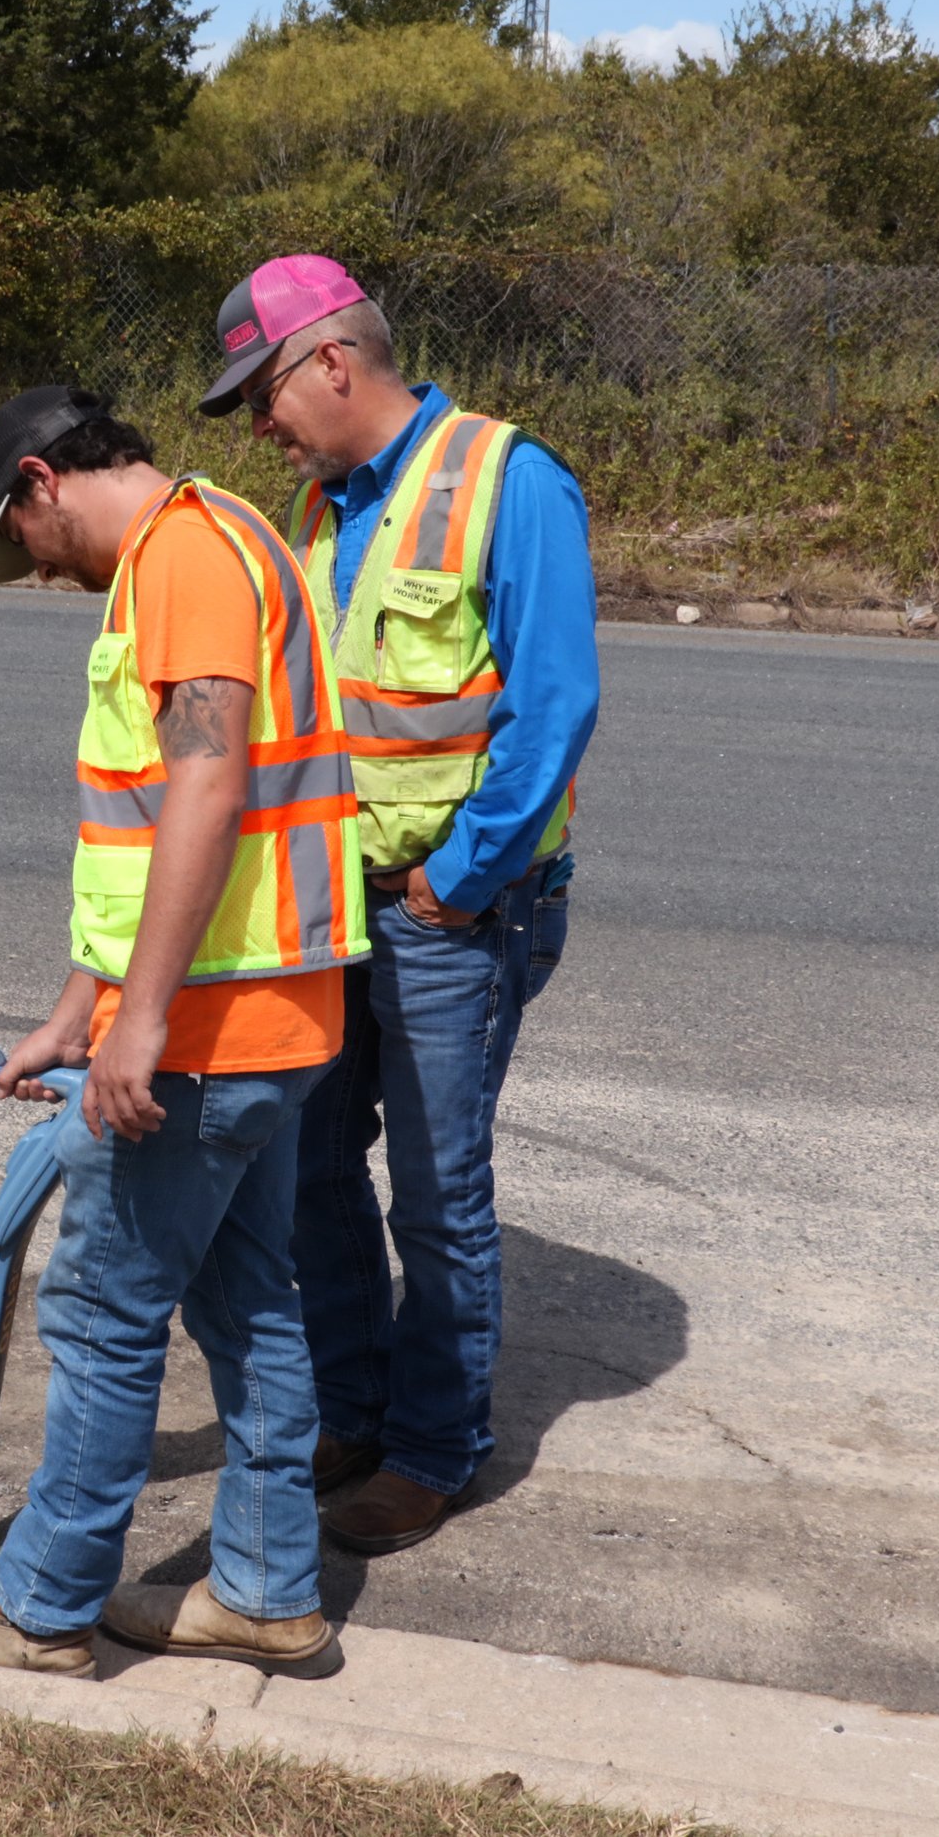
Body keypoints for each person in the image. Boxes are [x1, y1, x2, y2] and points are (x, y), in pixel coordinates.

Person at [0, 386, 370, 1679]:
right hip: (273, 1015)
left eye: (19, 539)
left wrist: (136, 1028)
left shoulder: (182, 558)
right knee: (251, 1304)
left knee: (101, 1314)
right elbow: (143, 840)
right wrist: (78, 1010)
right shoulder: (227, 534)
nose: (33, 567)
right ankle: (262, 1589)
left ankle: (41, 1610)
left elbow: (205, 781)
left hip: (201, 1035)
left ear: (40, 482)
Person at [198, 256, 601, 1556]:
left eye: (260, 393)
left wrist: (457, 880)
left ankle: (434, 1450)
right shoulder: (320, 509)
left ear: (331, 359)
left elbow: (555, 708)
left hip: (452, 909)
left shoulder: (507, 479)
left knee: (434, 1190)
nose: (259, 424)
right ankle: (354, 1410)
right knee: (311, 1163)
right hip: (341, 904)